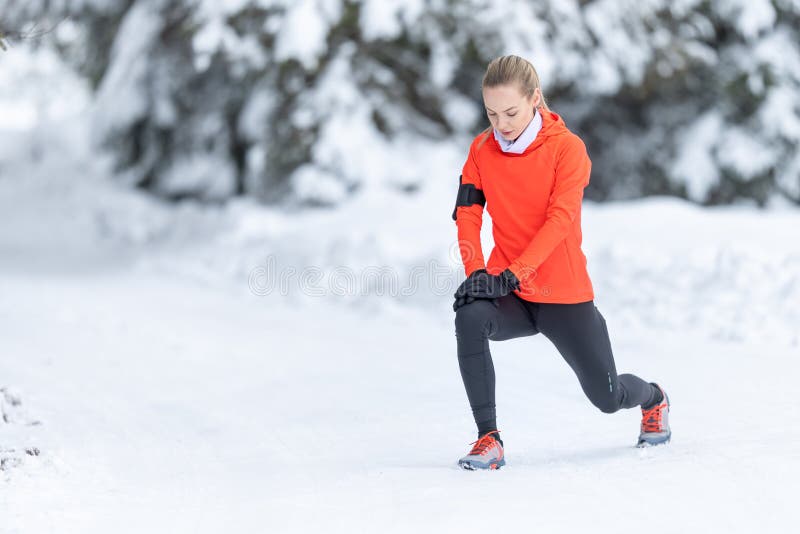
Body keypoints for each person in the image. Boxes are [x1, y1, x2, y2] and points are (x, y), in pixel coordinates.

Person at [451, 55, 670, 471]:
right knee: (469, 317)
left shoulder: (567, 150)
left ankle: (654, 398)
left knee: (608, 398)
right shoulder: (481, 150)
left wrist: (513, 273)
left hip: (562, 294)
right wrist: (477, 273)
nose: (502, 124)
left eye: (511, 112)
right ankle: (488, 439)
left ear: (535, 98)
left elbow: (559, 222)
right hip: (509, 291)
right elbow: (467, 213)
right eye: (492, 113)